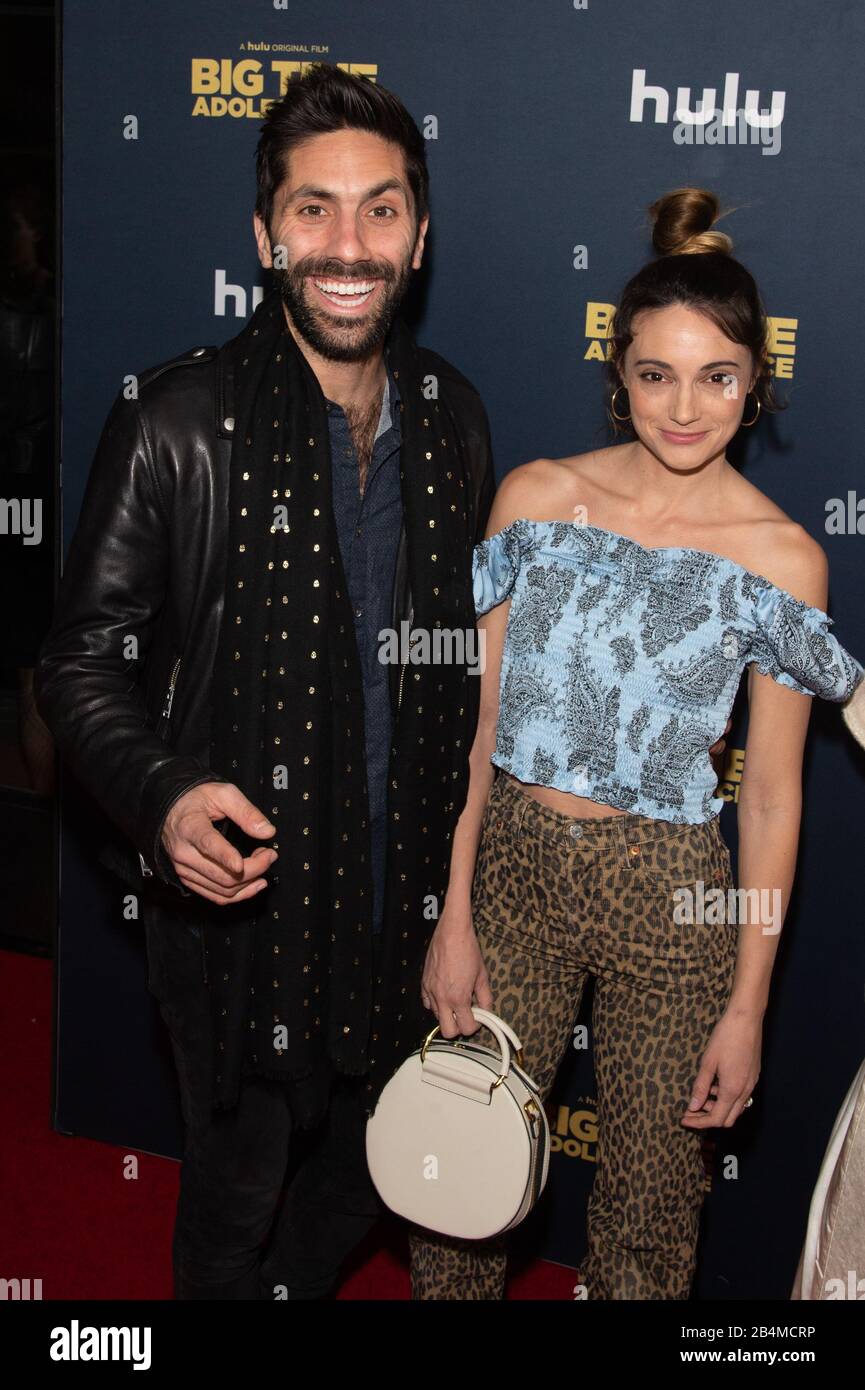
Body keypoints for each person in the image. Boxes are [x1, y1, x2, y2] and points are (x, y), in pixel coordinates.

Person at [34, 63, 494, 1299]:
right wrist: (166, 792)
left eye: (381, 209)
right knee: (231, 1203)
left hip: (404, 902)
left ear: (420, 232)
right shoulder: (176, 421)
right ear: (264, 232)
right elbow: (78, 660)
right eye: (313, 209)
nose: (348, 244)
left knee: (371, 1171)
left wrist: (461, 893)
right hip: (246, 922)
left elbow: (469, 675)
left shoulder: (454, 417)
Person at [411, 187, 865, 1300]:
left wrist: (748, 1003)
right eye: (656, 374)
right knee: (457, 1188)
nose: (683, 407)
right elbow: (469, 736)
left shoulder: (782, 559)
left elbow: (768, 801)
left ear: (757, 382)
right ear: (618, 375)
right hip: (514, 863)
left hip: (674, 895)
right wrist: (451, 910)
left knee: (652, 1215)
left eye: (716, 376)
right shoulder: (534, 497)